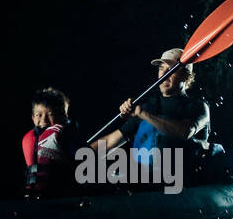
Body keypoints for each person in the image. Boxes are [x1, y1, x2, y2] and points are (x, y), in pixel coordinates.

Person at [90, 47, 210, 183]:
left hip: (185, 185)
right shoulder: (149, 106)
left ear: (186, 76)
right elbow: (110, 142)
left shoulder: (198, 107)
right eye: (161, 68)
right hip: (151, 184)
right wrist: (79, 156)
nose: (164, 73)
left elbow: (184, 132)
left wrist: (142, 114)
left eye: (171, 69)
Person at [21, 88, 79, 195]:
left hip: (62, 196)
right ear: (33, 118)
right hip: (31, 197)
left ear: (63, 117)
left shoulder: (64, 134)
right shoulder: (28, 138)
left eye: (50, 115)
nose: (44, 121)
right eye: (39, 115)